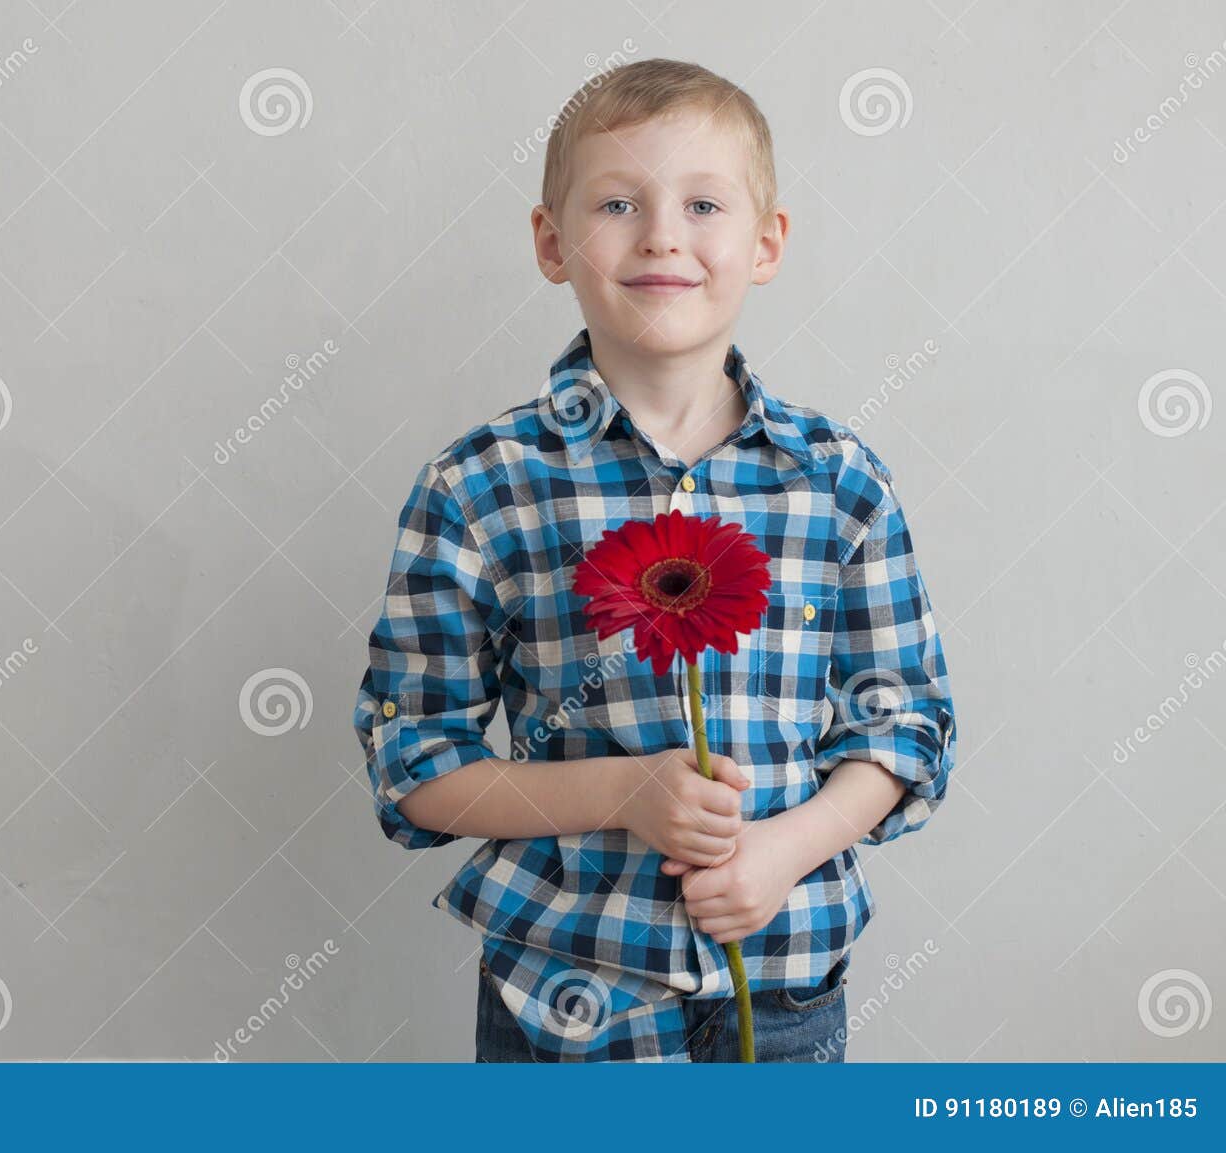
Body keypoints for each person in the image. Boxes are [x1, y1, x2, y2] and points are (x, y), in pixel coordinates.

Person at [352, 57, 957, 1062]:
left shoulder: (839, 482)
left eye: (704, 204)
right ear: (552, 243)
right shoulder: (480, 486)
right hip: (563, 1008)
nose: (663, 235)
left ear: (766, 243)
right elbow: (414, 761)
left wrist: (782, 850)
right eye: (618, 203)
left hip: (781, 994)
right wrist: (624, 792)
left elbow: (904, 724)